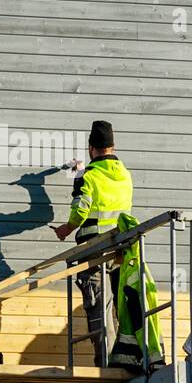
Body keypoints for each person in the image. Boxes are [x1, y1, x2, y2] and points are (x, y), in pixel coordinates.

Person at [51, 121, 133, 366]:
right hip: (120, 248)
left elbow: (82, 208)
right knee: (121, 307)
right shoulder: (125, 174)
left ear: (90, 148)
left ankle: (106, 364)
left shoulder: (89, 175)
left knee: (99, 308)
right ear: (113, 147)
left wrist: (66, 229)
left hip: (94, 250)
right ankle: (126, 358)